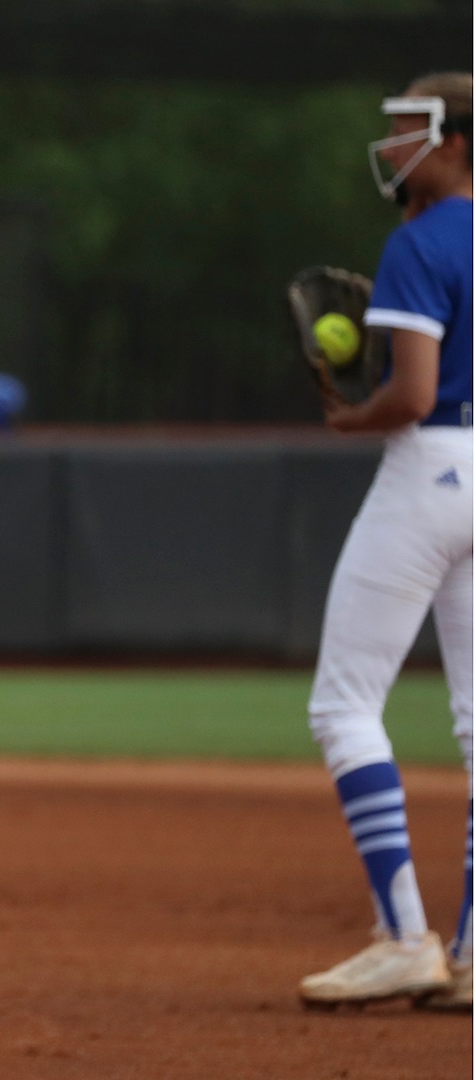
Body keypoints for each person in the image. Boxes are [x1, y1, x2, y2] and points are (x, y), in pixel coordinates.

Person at [298, 72, 473, 1012]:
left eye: (408, 129)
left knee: (344, 705)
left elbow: (409, 394)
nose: (392, 145)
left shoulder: (420, 240)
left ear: (452, 141)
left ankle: (406, 937)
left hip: (432, 468)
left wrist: (346, 415)